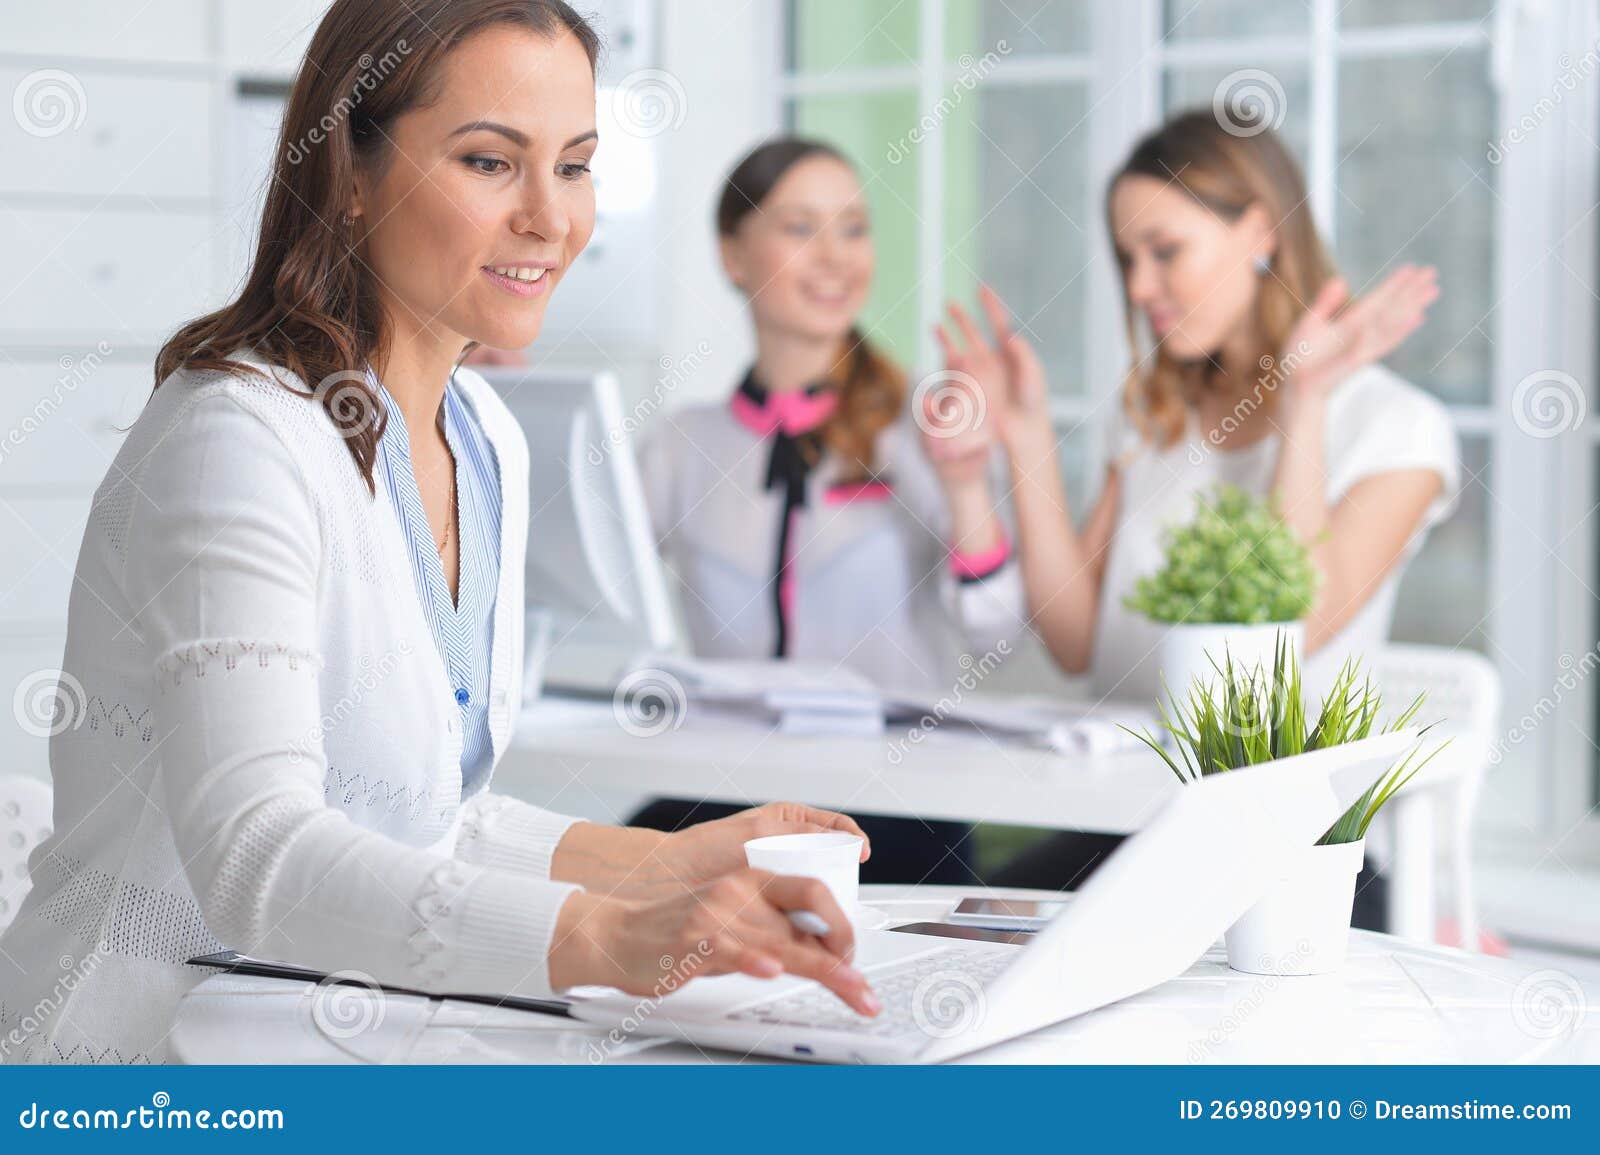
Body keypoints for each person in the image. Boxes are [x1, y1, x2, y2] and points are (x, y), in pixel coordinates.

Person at [0, 0, 882, 1066]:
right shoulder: (240, 438)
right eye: (487, 161)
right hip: (128, 1067)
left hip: (331, 1040)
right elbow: (255, 854)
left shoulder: (486, 439)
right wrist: (601, 935)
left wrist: (662, 866)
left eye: (575, 165)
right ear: (351, 172)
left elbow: (417, 818)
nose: (551, 220)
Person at [979, 111, 1460, 924]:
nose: (1138, 288)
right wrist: (1024, 436)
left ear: (1259, 229)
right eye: (1128, 259)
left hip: (1297, 863)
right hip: (1129, 831)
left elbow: (1294, 625)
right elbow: (1073, 641)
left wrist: (1302, 404)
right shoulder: (1152, 419)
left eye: (1164, 252)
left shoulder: (1395, 428)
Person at [628, 137, 1028, 884]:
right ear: (733, 254)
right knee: (591, 889)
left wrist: (968, 481)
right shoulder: (680, 446)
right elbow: (588, 600)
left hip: (897, 814)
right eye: (800, 227)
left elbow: (997, 629)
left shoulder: (928, 426)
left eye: (853, 228)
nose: (836, 257)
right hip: (728, 804)